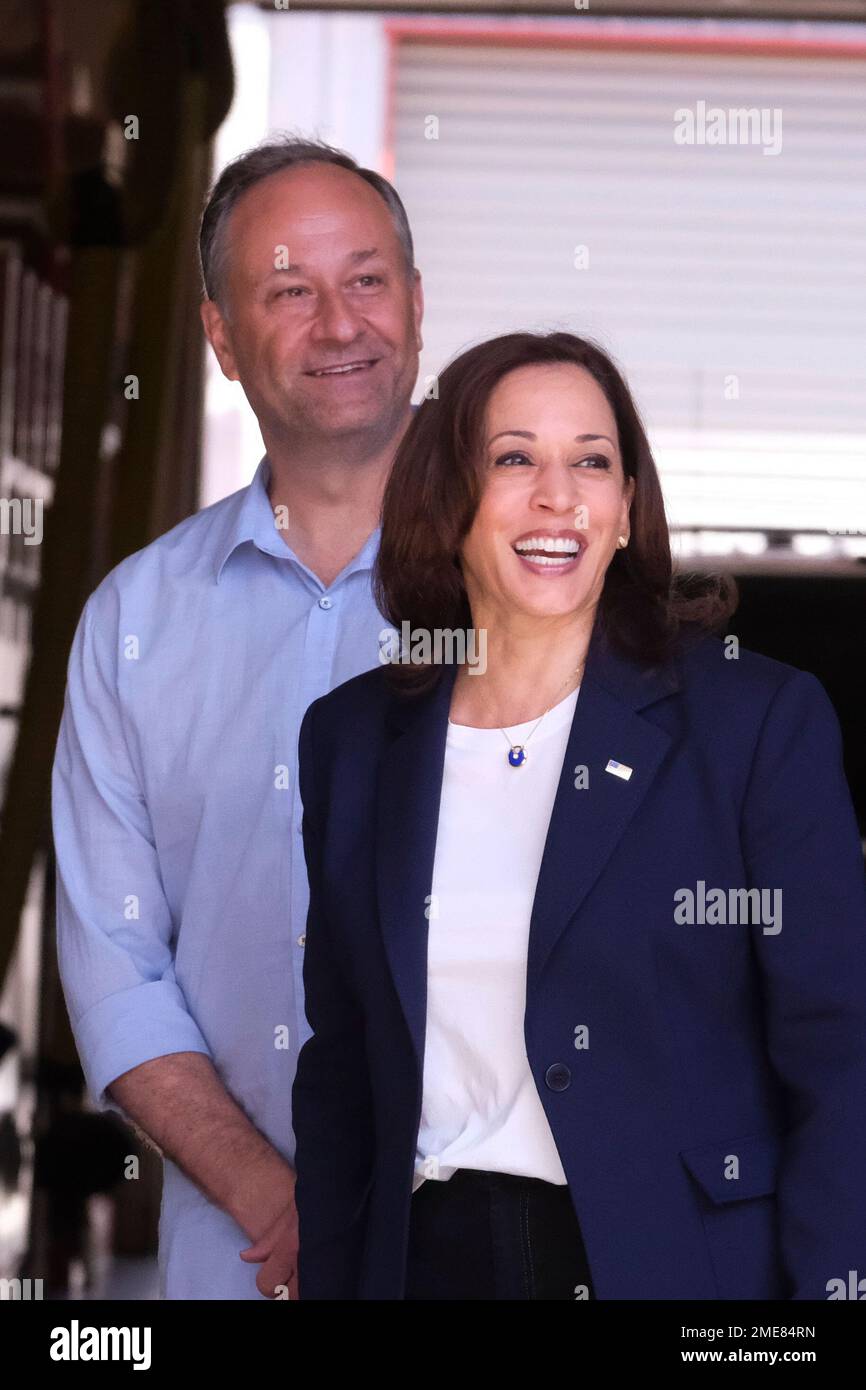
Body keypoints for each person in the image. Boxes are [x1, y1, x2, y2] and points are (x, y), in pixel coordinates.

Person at [292, 329, 866, 1300]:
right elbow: (342, 1067)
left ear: (625, 506)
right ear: (444, 495)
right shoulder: (352, 742)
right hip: (425, 1265)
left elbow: (839, 1055)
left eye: (591, 462)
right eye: (513, 457)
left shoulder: (753, 723)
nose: (558, 496)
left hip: (678, 1271)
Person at [51, 136, 423, 1299]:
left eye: (366, 279)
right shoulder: (134, 623)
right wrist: (279, 1198)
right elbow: (115, 970)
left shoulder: (530, 590)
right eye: (287, 291)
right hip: (244, 1260)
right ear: (219, 335)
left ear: (416, 304)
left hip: (506, 1248)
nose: (339, 323)